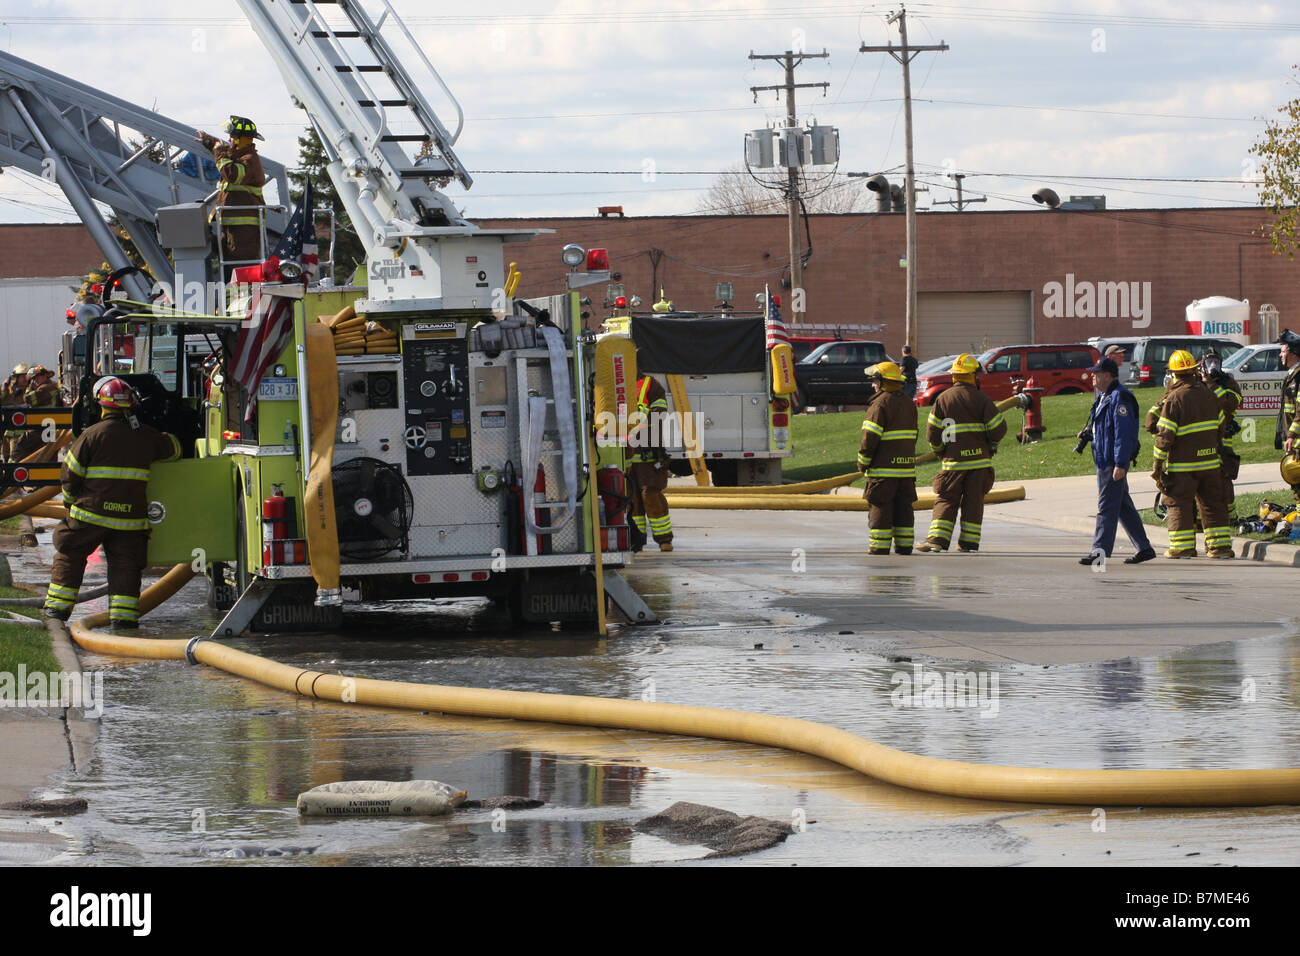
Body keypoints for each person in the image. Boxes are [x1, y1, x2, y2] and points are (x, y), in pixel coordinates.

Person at [43, 377, 181, 627]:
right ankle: (124, 620)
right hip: (130, 520)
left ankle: (57, 612)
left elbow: (70, 474)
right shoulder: (146, 437)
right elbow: (175, 448)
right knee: (126, 565)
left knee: (70, 551)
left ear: (101, 406)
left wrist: (71, 503)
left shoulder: (91, 435)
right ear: (130, 406)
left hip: (90, 516)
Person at [918, 354, 1007, 552]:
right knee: (974, 502)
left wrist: (940, 451)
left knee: (947, 499)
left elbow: (932, 433)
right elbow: (999, 429)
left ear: (955, 376)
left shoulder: (942, 399)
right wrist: (991, 444)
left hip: (953, 464)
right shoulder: (982, 399)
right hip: (979, 464)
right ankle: (968, 543)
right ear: (973, 376)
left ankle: (936, 541)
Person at [1152, 349, 1232, 559]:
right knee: (1213, 504)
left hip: (1183, 468)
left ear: (1174, 374)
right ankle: (1220, 548)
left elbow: (1164, 436)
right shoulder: (1210, 393)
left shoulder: (1174, 398)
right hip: (1210, 463)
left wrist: (1157, 466)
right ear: (1194, 370)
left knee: (1179, 504)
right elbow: (1222, 425)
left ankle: (1183, 547)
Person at [1077, 357, 1155, 565]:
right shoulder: (1105, 396)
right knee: (1122, 506)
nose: (1093, 376)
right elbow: (1104, 428)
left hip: (1112, 461)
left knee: (1106, 507)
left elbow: (1123, 433)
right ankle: (1144, 548)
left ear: (1108, 376)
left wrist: (1121, 464)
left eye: (1097, 373)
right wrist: (1088, 432)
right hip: (1103, 459)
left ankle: (1099, 552)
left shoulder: (1120, 398)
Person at [857, 362, 918, 554]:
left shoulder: (879, 405)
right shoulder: (909, 403)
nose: (873, 385)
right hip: (906, 471)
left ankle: (879, 548)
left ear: (883, 382)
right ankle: (905, 545)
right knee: (903, 509)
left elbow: (869, 439)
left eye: (875, 381)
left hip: (883, 472)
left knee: (881, 508)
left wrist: (863, 462)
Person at [197, 116, 267, 280]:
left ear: (241, 140)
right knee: (228, 267)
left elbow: (231, 173)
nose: (230, 140)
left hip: (244, 230)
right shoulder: (240, 155)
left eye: (232, 137)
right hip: (232, 225)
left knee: (241, 269)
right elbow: (228, 153)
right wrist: (209, 141)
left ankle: (245, 301)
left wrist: (219, 152)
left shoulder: (250, 160)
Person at [627, 374, 673, 552]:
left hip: (648, 452)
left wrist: (637, 422)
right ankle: (637, 540)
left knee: (650, 495)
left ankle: (664, 539)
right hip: (625, 452)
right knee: (632, 500)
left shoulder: (650, 384)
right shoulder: (616, 383)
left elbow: (659, 413)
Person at [1199, 348, 1242, 523]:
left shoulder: (1228, 382)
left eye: (1216, 361)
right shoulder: (1195, 381)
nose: (1213, 365)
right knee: (1199, 478)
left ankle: (1230, 517)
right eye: (1210, 362)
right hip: (1201, 440)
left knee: (1224, 477)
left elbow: (1230, 405)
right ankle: (1198, 519)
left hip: (1224, 439)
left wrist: (1212, 385)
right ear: (1203, 364)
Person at [11, 365, 60, 462]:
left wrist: (29, 387)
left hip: (40, 428)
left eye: (35, 378)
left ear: (45, 376)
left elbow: (28, 399)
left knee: (19, 449)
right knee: (48, 454)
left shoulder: (46, 388)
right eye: (33, 379)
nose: (34, 381)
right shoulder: (51, 386)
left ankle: (12, 472)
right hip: (48, 427)